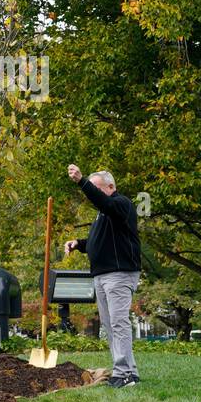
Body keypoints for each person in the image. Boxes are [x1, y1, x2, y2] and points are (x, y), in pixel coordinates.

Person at [63, 164, 142, 387]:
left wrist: (82, 181)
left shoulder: (121, 205)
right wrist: (78, 243)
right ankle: (129, 371)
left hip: (119, 275)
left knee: (118, 324)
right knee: (110, 325)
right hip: (103, 275)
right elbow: (98, 244)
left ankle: (123, 374)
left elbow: (103, 202)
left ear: (110, 187)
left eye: (97, 189)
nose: (94, 194)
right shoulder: (103, 215)